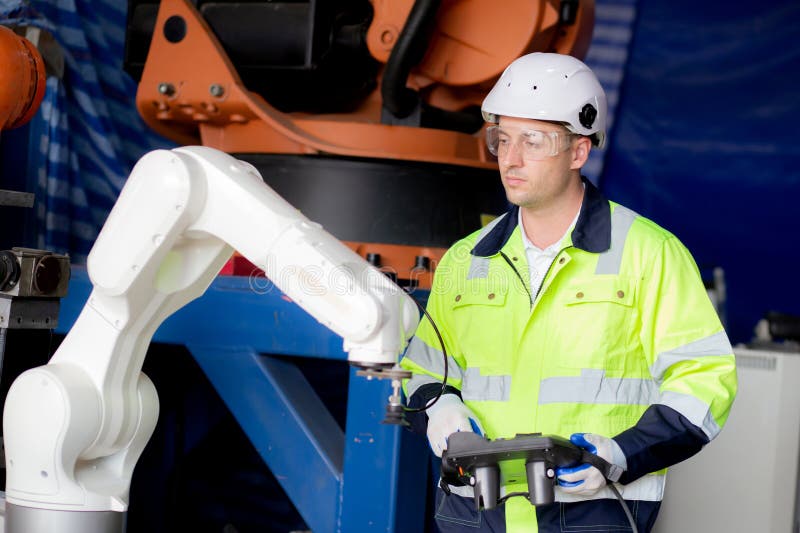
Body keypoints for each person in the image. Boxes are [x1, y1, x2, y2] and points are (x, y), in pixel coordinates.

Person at [399, 52, 737, 533]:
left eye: (532, 141)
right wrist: (439, 407)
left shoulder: (650, 254)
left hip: (592, 512)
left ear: (578, 151)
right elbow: (420, 372)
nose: (510, 159)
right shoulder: (465, 259)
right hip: (474, 513)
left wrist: (622, 453)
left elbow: (704, 383)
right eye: (502, 139)